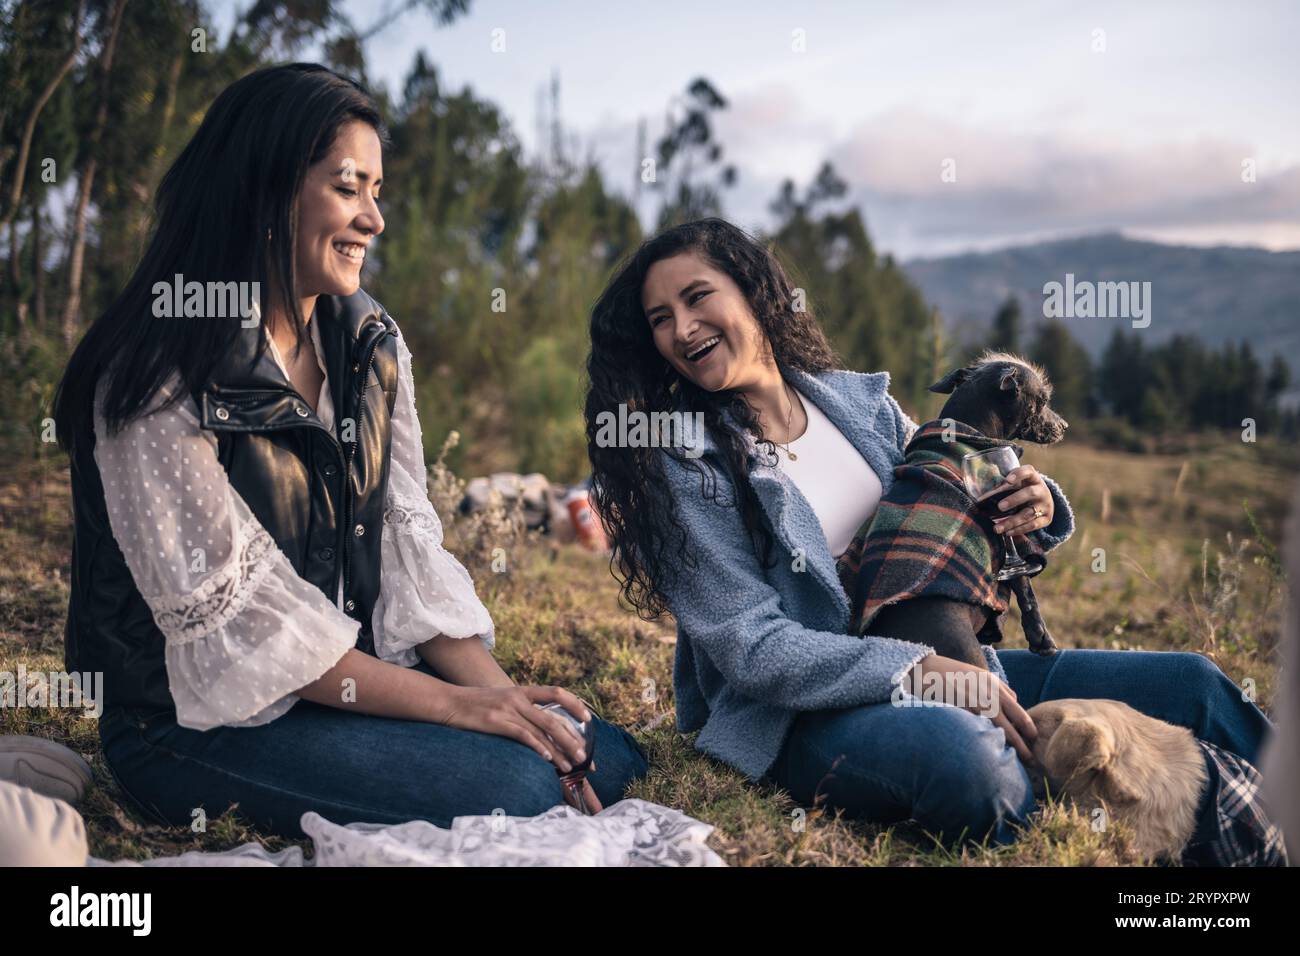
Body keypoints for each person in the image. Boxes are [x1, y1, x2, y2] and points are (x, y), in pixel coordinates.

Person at [51, 63, 646, 841]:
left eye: (377, 190)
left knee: (602, 754)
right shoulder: (155, 376)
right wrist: (465, 712)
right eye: (348, 187)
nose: (375, 218)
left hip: (340, 687)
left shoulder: (370, 344)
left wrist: (508, 705)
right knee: (521, 790)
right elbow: (254, 633)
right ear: (265, 189)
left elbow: (407, 556)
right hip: (190, 722)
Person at [582, 216, 1275, 849]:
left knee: (1196, 685)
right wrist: (914, 672)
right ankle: (1113, 825)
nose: (682, 327)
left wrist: (1035, 503)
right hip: (800, 713)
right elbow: (750, 649)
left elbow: (951, 495)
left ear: (755, 293)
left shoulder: (860, 404)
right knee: (971, 764)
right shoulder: (685, 464)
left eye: (699, 296)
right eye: (660, 319)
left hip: (953, 664)